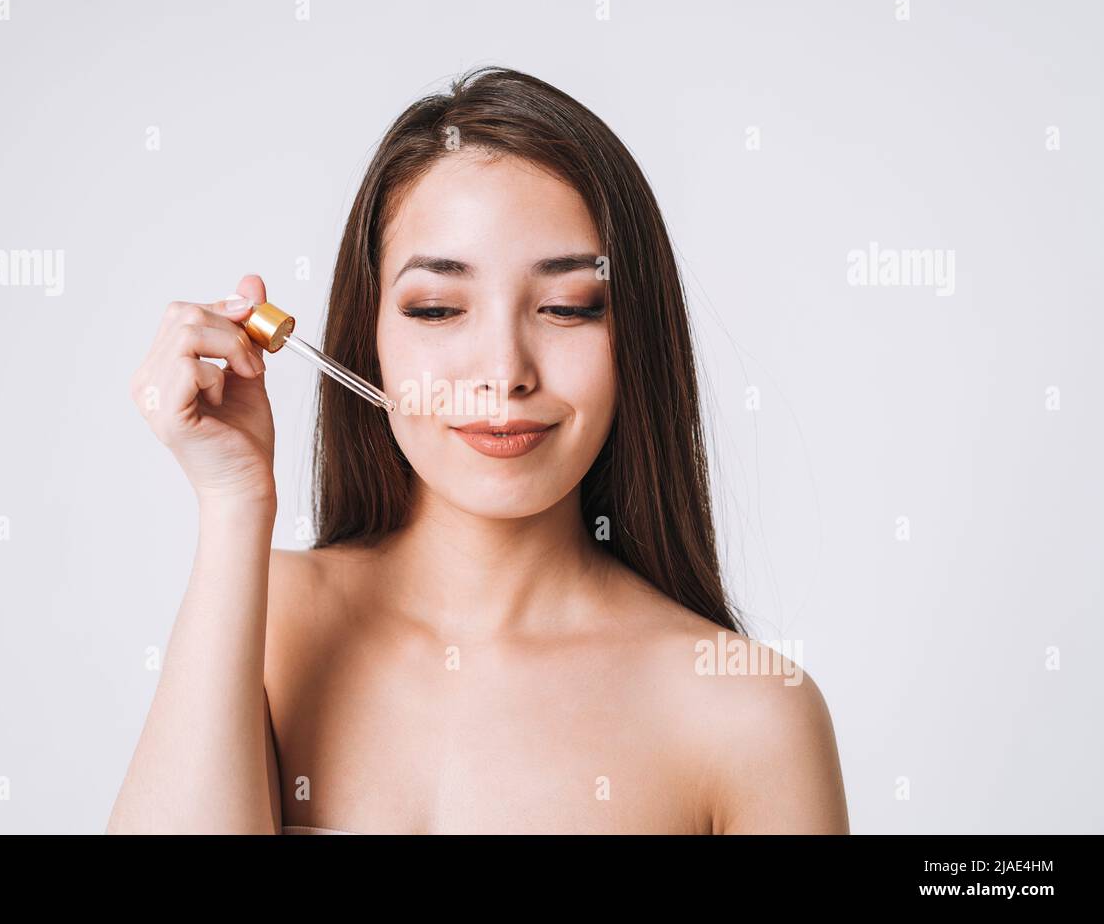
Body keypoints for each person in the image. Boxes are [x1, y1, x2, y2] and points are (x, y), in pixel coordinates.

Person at [108, 66, 850, 834]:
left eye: (567, 308)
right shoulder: (264, 624)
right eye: (437, 308)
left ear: (638, 336)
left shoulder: (750, 715)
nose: (503, 373)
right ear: (370, 337)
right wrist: (233, 504)